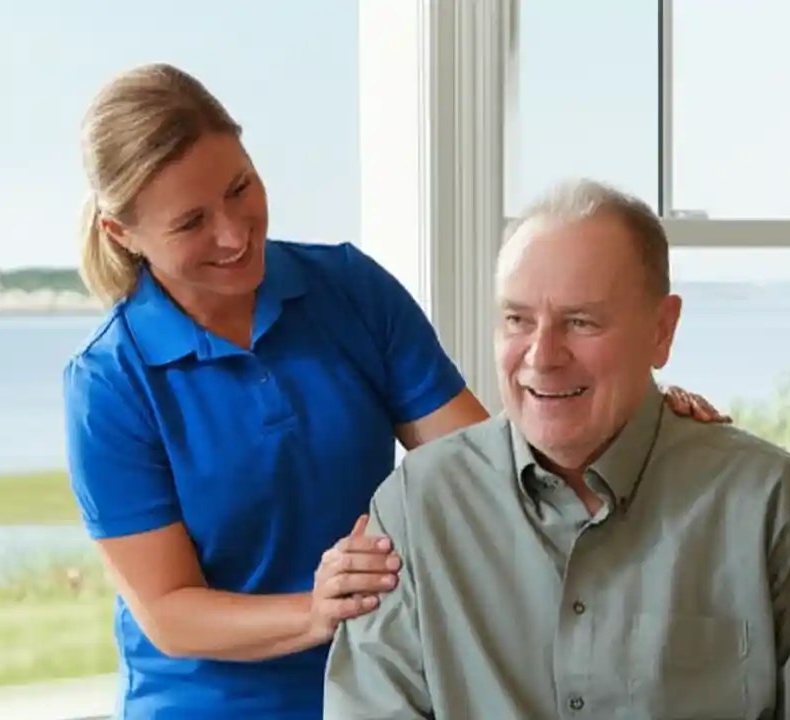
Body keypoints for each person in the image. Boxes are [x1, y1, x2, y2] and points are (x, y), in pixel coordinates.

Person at [63, 64, 726, 719]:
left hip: (387, 685)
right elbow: (172, 613)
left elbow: (490, 464)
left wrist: (634, 419)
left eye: (241, 188)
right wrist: (317, 611)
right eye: (191, 223)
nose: (235, 233)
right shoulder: (111, 384)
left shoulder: (348, 290)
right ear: (124, 234)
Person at [321, 178, 790, 719]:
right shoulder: (415, 511)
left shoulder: (773, 507)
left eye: (580, 322)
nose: (542, 356)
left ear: (662, 330)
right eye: (517, 319)